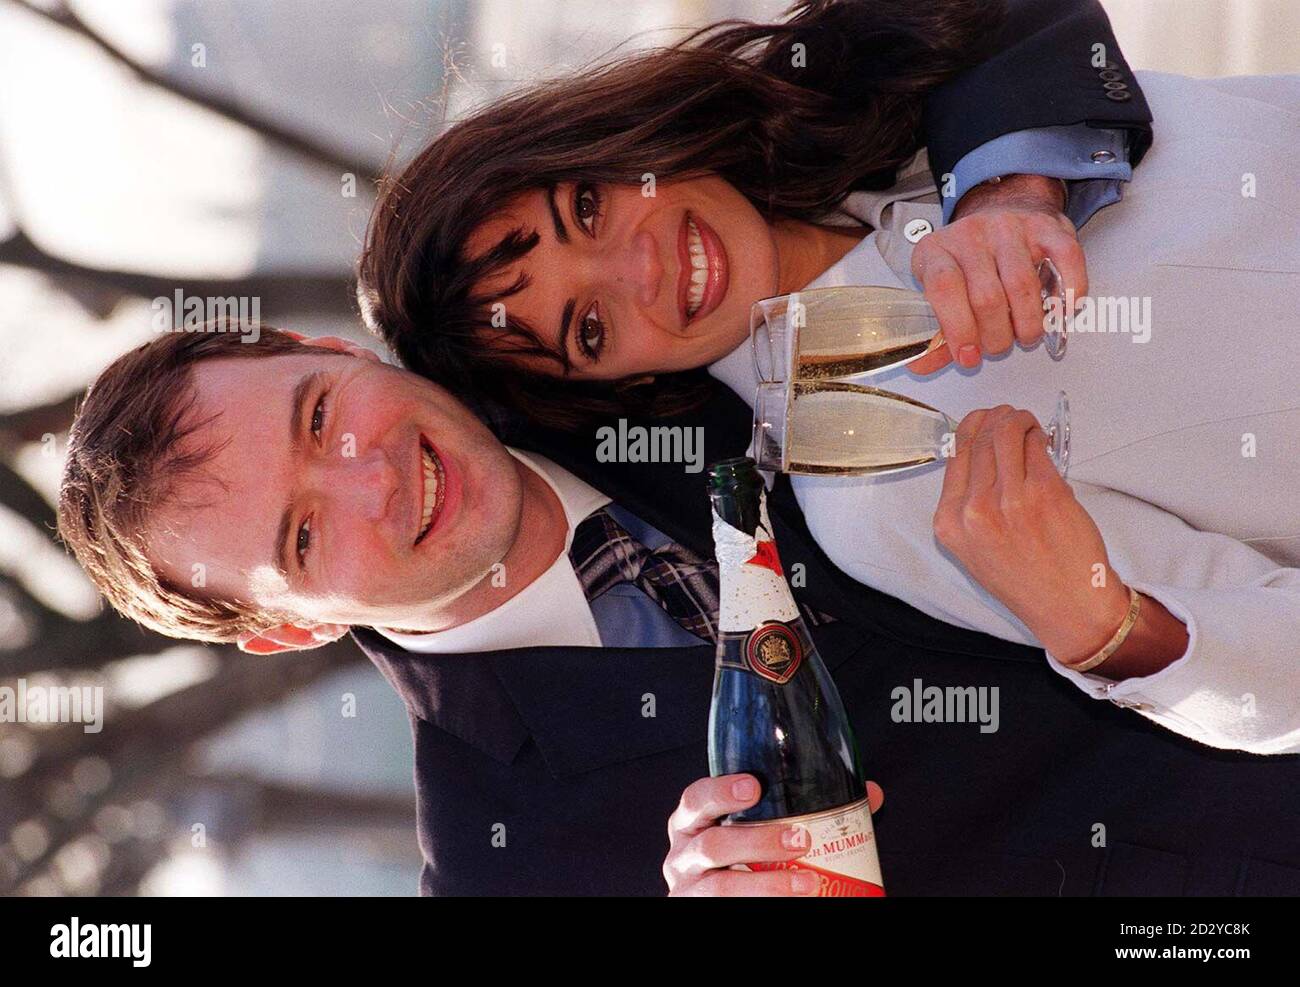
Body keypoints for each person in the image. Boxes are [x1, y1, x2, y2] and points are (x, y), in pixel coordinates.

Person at [357, 0, 1300, 754]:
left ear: (606, 140)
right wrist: (1103, 626)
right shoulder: (875, 489)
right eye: (591, 326)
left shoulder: (899, 83)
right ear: (622, 387)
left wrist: (1011, 184)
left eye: (588, 210)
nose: (641, 271)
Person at [57, 328, 1300, 898]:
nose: (378, 476)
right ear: (287, 630)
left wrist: (1008, 194)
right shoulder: (514, 874)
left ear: (337, 346)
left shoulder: (596, 319)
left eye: (321, 416)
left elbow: (955, 49)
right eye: (304, 535)